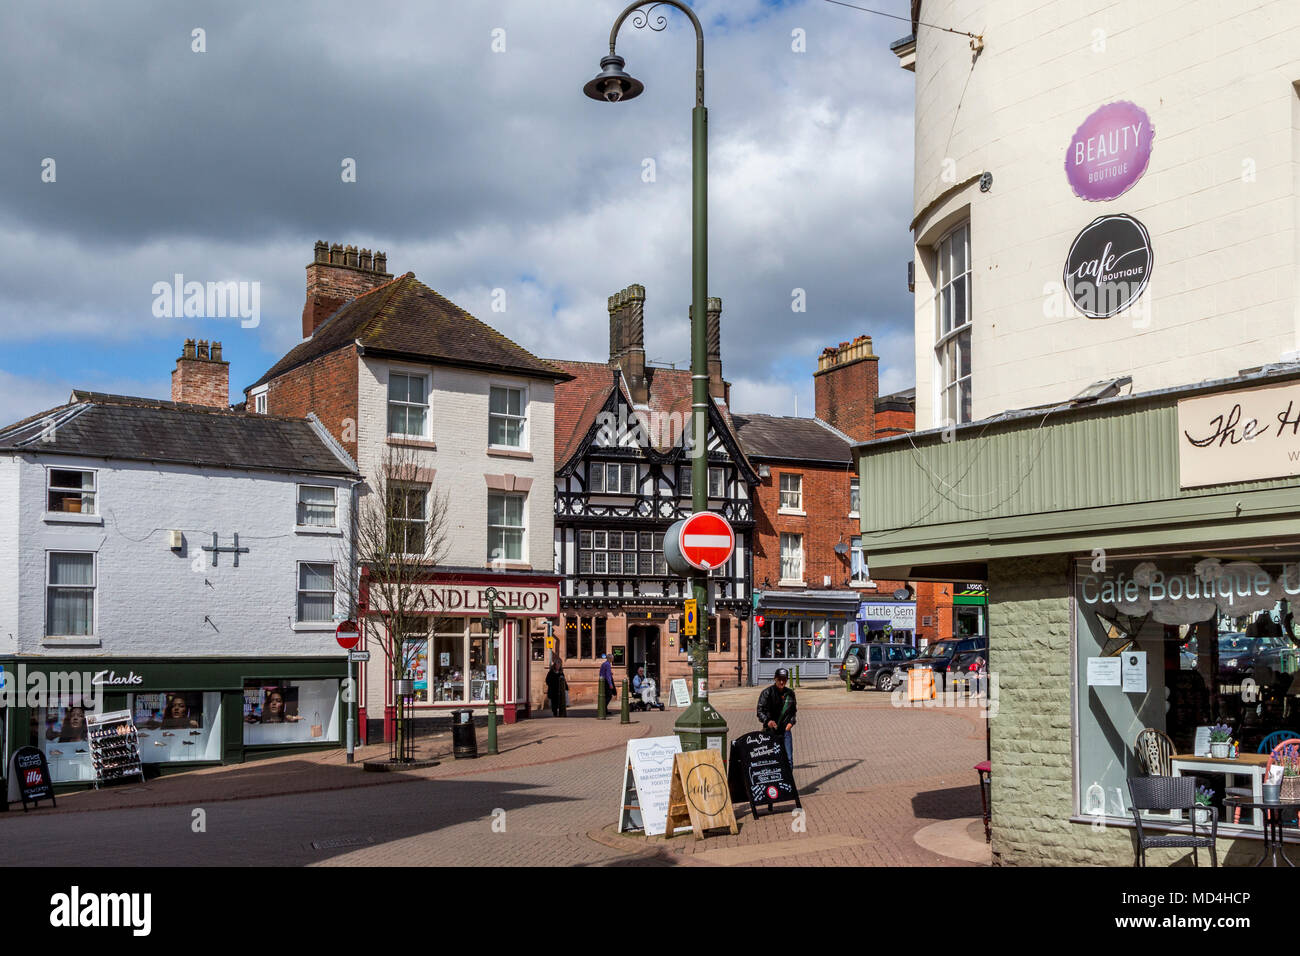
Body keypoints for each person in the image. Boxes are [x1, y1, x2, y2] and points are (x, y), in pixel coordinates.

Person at [757, 668, 797, 767]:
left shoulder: (790, 693)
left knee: (788, 759)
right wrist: (767, 721)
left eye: (784, 679)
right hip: (770, 731)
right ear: (775, 679)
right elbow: (760, 711)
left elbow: (793, 711)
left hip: (785, 730)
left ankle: (788, 777)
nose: (782, 682)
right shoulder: (767, 692)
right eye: (779, 679)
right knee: (770, 759)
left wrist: (791, 723)